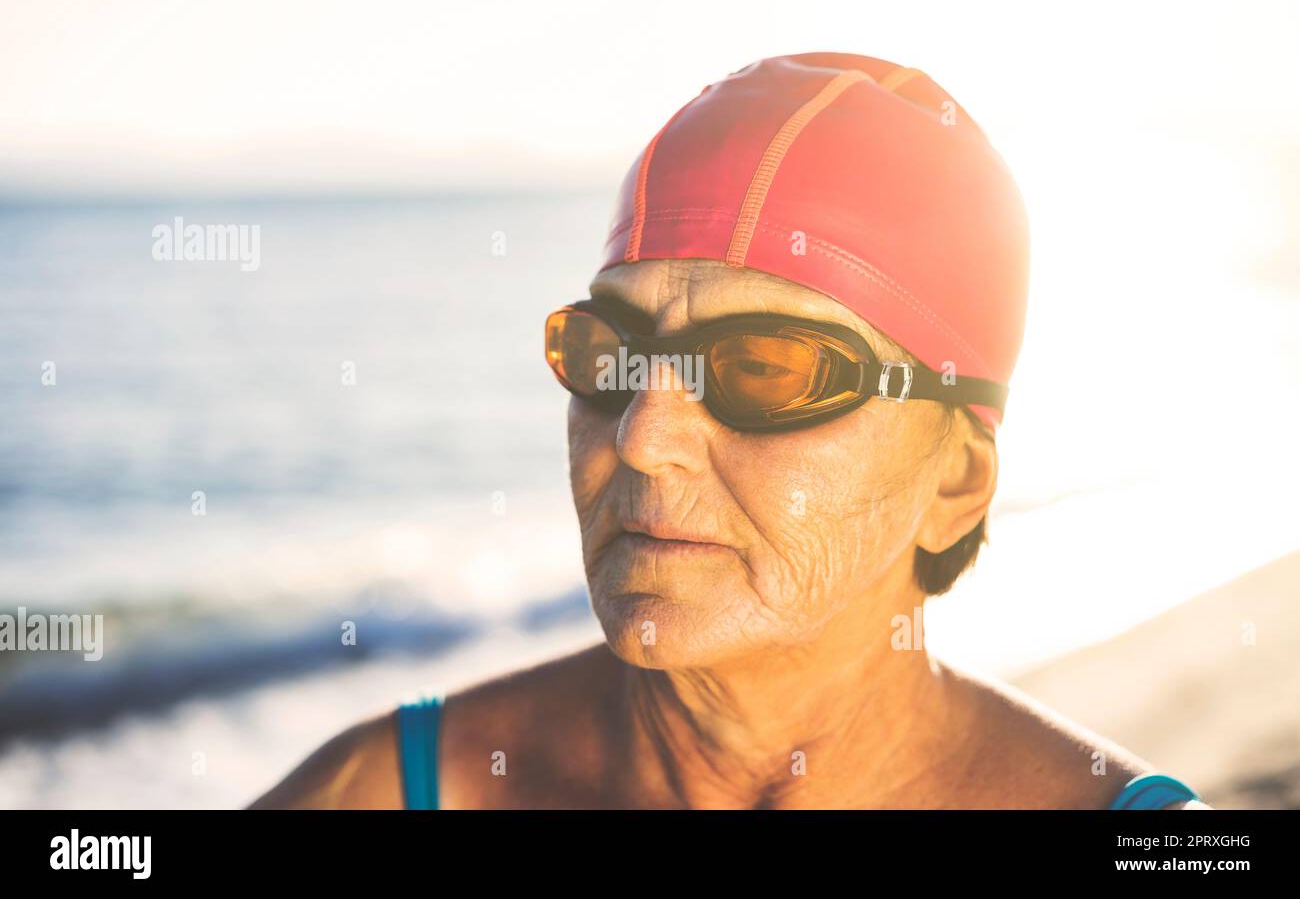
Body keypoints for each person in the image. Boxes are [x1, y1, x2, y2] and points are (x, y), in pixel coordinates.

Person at [251, 53, 1209, 810]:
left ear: (955, 479)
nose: (640, 435)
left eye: (764, 370)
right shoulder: (393, 789)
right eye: (607, 355)